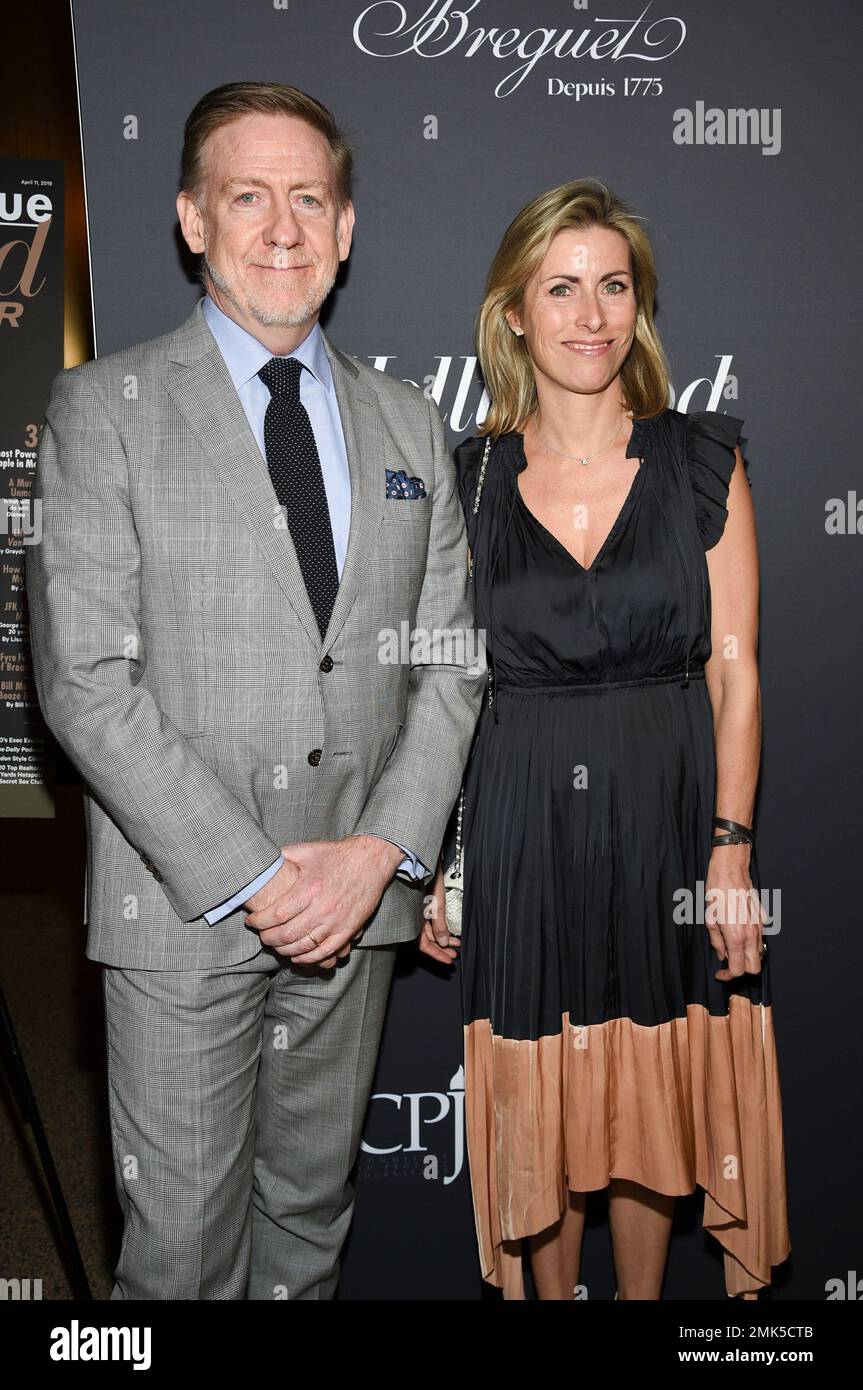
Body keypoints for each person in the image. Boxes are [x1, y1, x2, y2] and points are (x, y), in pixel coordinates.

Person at [25, 81, 485, 1300]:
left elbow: (448, 662)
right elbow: (86, 682)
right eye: (246, 196)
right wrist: (259, 874)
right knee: (177, 1253)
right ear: (190, 219)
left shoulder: (408, 425)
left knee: (306, 1222)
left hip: (355, 907)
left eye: (308, 198)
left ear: (344, 229)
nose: (280, 227)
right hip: (187, 907)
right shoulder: (102, 411)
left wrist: (376, 853)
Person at [421, 178, 791, 1300]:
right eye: (561, 288)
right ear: (515, 313)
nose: (589, 315)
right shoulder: (468, 475)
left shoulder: (696, 461)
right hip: (524, 813)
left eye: (612, 286)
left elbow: (734, 672)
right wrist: (446, 860)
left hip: (666, 812)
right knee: (544, 1106)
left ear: (638, 306)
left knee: (648, 1094)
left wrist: (727, 854)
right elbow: (441, 684)